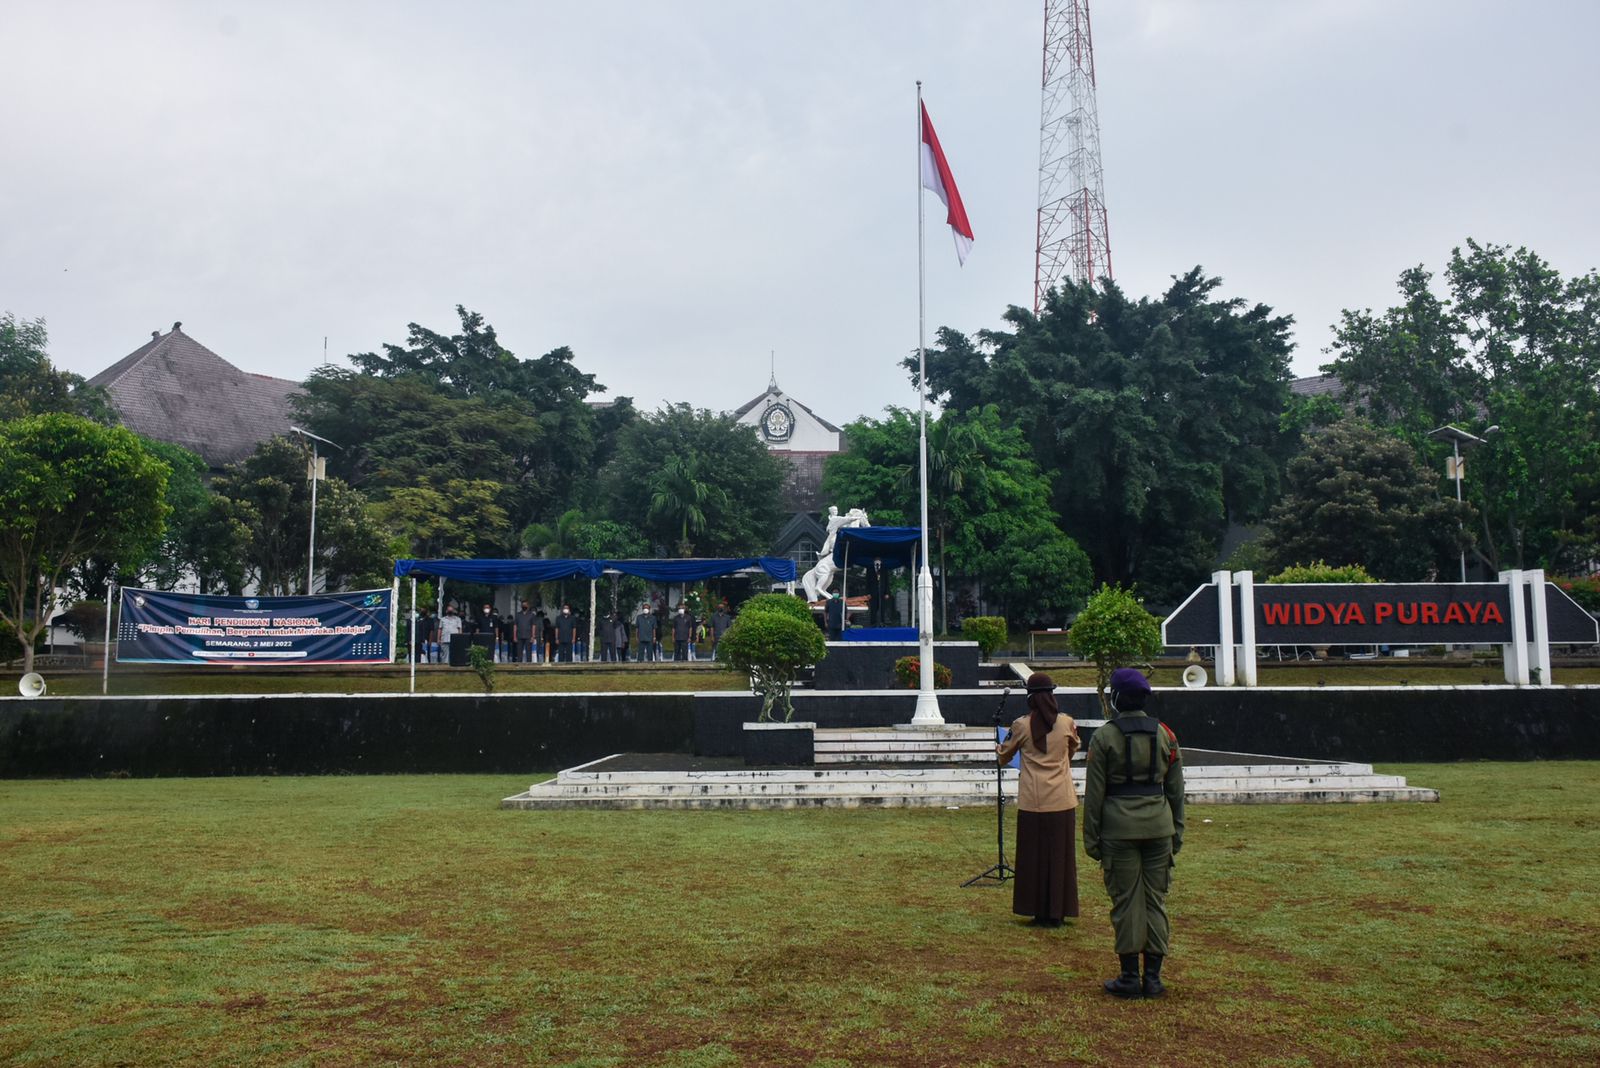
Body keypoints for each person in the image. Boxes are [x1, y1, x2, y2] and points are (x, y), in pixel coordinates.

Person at [1082, 667, 1185, 999]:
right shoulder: (1165, 734)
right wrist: (1176, 832)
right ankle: (1153, 978)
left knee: (1126, 902)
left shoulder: (1104, 737)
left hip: (1118, 829)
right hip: (1159, 826)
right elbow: (1176, 791)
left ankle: (1129, 977)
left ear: (1115, 699)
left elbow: (1095, 794)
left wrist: (1091, 838)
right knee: (1155, 901)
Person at [997, 672, 1081, 926]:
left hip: (1034, 800)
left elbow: (1004, 755)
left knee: (1032, 856)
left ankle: (1035, 909)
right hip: (1062, 800)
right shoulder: (1066, 723)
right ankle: (1059, 909)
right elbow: (1073, 748)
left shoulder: (1020, 725)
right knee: (1060, 856)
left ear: (1030, 698)